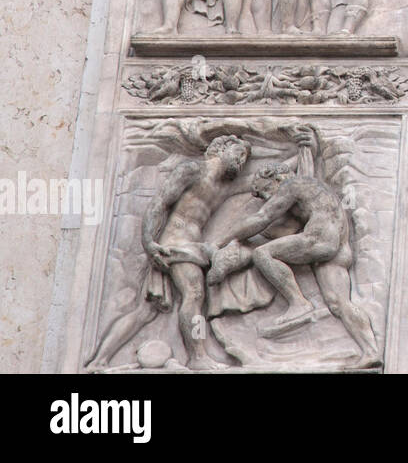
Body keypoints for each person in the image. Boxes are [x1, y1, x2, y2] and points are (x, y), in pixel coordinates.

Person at [205, 127, 381, 368]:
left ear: (275, 179)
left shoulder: (292, 185)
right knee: (339, 303)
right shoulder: (308, 185)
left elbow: (262, 218)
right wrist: (307, 150)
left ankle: (299, 303)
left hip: (319, 239)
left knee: (263, 253)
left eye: (264, 191)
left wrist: (221, 240)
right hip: (338, 247)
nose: (266, 198)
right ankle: (370, 351)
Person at [85, 136, 251, 370]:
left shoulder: (222, 186)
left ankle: (100, 360)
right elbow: (160, 202)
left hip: (190, 247)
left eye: (245, 158)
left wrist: (307, 149)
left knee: (146, 311)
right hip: (175, 244)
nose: (242, 161)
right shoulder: (192, 170)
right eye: (239, 153)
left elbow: (266, 177)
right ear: (221, 148)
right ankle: (198, 356)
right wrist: (148, 242)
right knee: (194, 295)